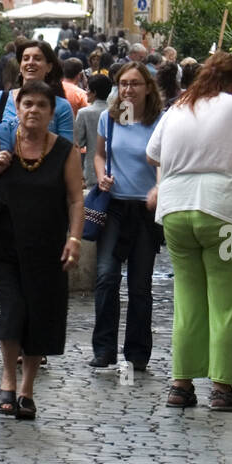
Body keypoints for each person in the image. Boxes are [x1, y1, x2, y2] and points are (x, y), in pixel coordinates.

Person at [146, 51, 232, 412]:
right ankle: (222, 389)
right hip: (228, 210)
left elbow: (152, 155)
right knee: (226, 303)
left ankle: (181, 385)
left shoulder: (177, 109)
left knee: (187, 299)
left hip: (176, 209)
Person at [0, 81, 84, 420]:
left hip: (47, 248)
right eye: (27, 104)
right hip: (4, 247)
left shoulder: (64, 151)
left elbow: (76, 199)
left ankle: (27, 389)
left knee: (39, 315)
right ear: (17, 110)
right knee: (14, 308)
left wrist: (74, 239)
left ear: (52, 113)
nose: (33, 110)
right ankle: (8, 380)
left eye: (41, 105)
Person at [91, 63, 164, 371]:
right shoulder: (109, 119)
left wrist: (159, 187)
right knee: (106, 277)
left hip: (145, 210)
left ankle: (137, 353)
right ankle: (104, 349)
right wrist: (100, 177)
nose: (128, 89)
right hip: (115, 207)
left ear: (148, 87)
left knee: (140, 284)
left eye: (135, 83)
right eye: (123, 84)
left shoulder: (160, 120)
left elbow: (164, 159)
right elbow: (99, 155)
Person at [0, 40, 74, 145]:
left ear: (49, 67)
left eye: (37, 59)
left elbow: (67, 149)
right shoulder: (1, 99)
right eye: (25, 59)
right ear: (20, 66)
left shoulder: (62, 106)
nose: (30, 62)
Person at [74, 75, 112, 186]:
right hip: (114, 168)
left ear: (94, 92)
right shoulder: (117, 112)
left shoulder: (84, 113)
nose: (86, 92)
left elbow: (77, 142)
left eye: (88, 89)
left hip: (92, 170)